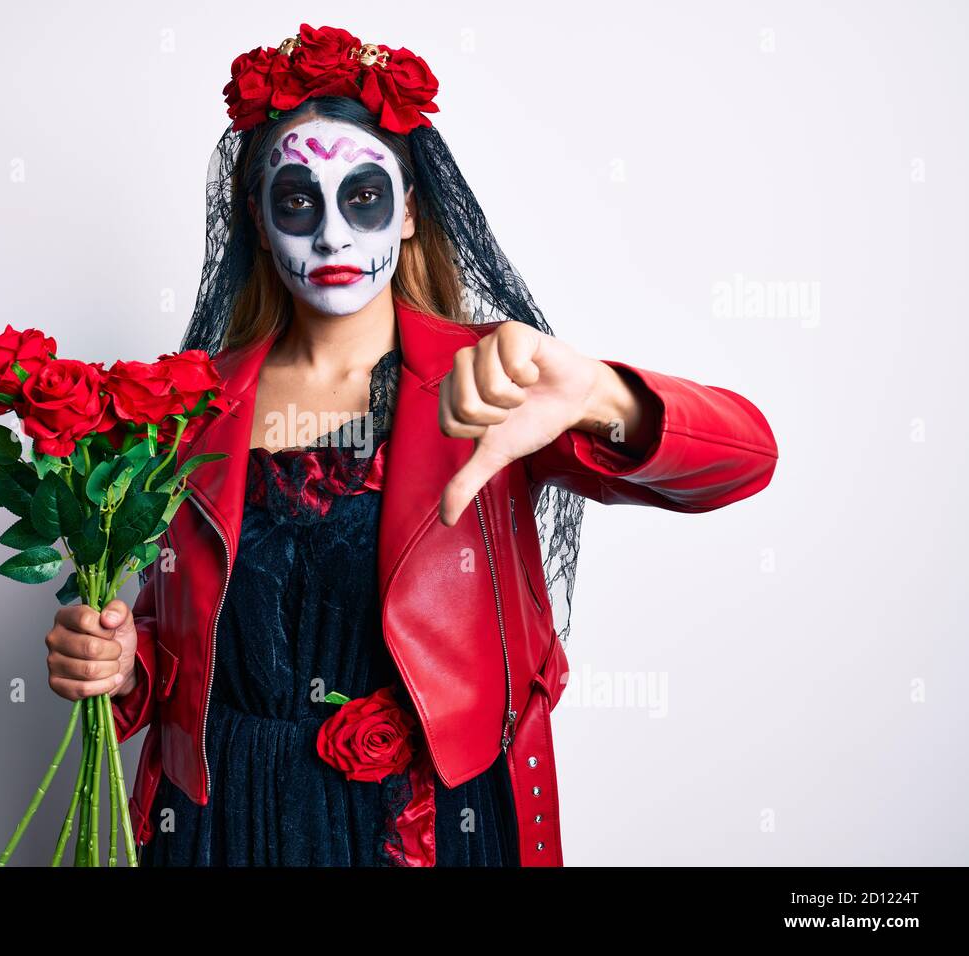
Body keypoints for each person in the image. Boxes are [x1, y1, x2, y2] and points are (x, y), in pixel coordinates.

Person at [44, 24, 778, 866]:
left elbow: (746, 460)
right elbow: (184, 645)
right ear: (255, 214)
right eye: (296, 201)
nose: (330, 235)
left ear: (411, 206)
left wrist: (601, 396)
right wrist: (122, 663)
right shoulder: (188, 405)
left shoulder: (496, 384)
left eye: (362, 197)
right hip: (225, 822)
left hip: (428, 827)